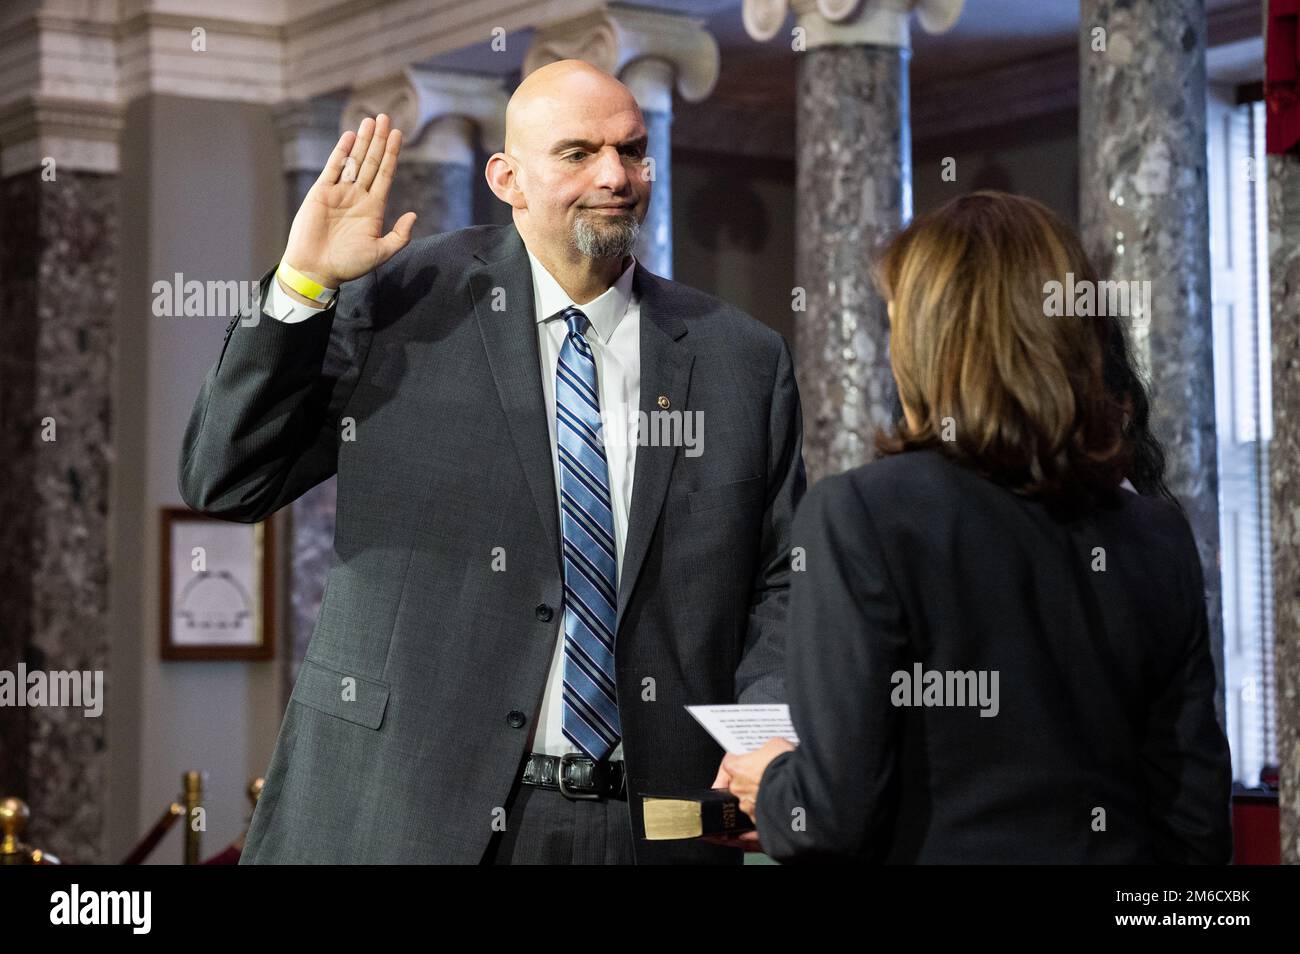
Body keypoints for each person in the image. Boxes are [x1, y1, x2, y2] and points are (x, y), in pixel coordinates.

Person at [179, 60, 805, 864]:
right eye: (577, 153)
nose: (614, 176)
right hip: (407, 811)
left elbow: (785, 578)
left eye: (631, 150)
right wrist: (304, 285)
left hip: (653, 827)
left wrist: (763, 740)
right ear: (507, 178)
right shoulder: (401, 302)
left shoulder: (740, 359)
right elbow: (224, 479)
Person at [720, 191, 1233, 863]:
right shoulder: (1157, 534)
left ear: (934, 341)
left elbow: (831, 815)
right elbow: (1196, 824)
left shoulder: (863, 516)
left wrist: (771, 782)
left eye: (897, 324)